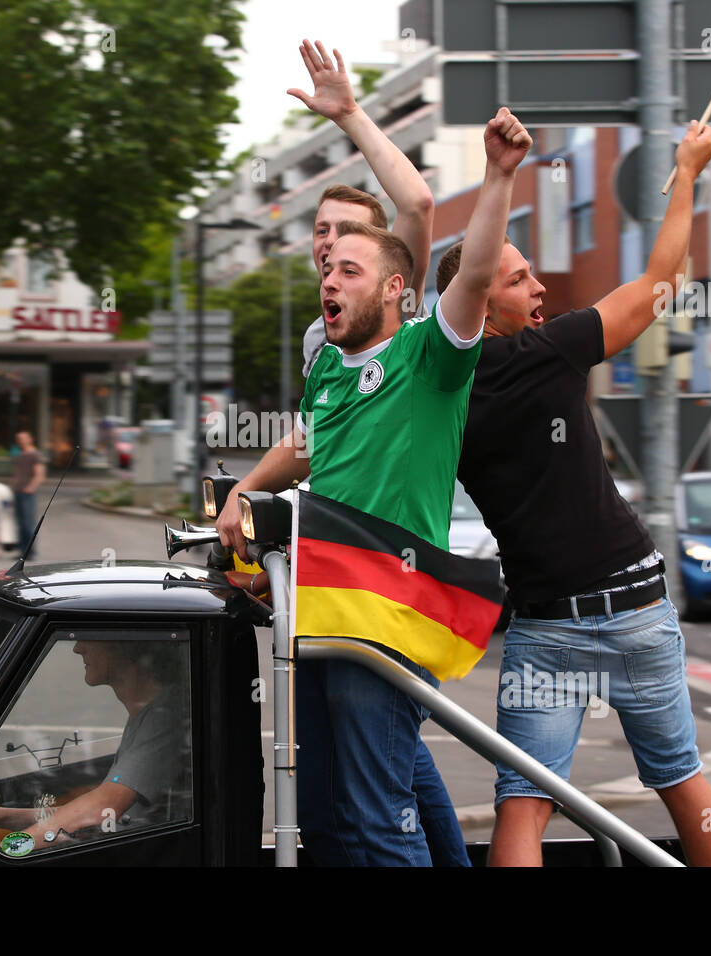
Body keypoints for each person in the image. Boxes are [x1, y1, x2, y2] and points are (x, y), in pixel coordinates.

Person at [215, 107, 530, 866]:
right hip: (321, 611)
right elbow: (309, 451)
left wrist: (497, 178)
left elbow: (475, 270)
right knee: (320, 812)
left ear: (396, 290)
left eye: (348, 270)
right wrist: (243, 498)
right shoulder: (326, 366)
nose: (330, 277)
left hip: (386, 616)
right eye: (326, 269)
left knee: (375, 822)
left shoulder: (431, 356)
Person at [444, 121, 711, 866]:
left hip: (545, 627)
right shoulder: (549, 350)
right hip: (634, 602)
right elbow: (661, 283)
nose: (539, 287)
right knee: (682, 782)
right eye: (517, 279)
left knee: (524, 802)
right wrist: (687, 174)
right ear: (479, 297)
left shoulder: (439, 396)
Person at [285, 40, 436, 391]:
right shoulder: (316, 337)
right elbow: (312, 433)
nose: (331, 241)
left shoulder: (400, 306)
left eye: (349, 231)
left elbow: (417, 204)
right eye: (322, 230)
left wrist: (348, 115)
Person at [0, 640, 189, 847]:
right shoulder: (147, 713)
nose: (77, 648)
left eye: (87, 636)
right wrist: (0, 815)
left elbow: (101, 806)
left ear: (123, 644)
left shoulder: (165, 716)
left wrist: (11, 849)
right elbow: (83, 812)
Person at [11, 430, 46, 559]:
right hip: (17, 491)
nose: (21, 441)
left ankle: (30, 552)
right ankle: (21, 551)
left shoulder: (35, 455)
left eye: (23, 438)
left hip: (27, 493)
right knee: (20, 522)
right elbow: (17, 473)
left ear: (30, 439)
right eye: (18, 439)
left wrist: (31, 488)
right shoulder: (19, 455)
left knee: (28, 523)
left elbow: (40, 475)